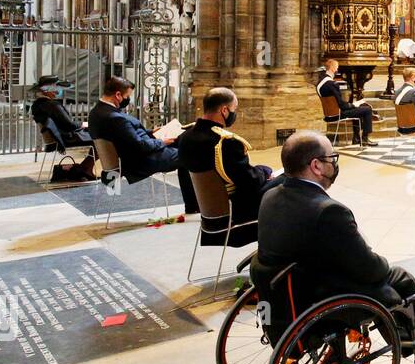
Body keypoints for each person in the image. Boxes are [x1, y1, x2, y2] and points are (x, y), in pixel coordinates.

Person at [250, 131, 415, 364]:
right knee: (399, 277)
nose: (335, 164)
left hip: (285, 289)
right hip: (320, 296)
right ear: (316, 165)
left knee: (386, 277)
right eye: (331, 158)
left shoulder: (271, 195)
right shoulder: (327, 210)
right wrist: (380, 262)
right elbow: (371, 269)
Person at [177, 87, 278, 246]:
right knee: (290, 183)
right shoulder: (225, 142)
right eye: (234, 109)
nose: (234, 114)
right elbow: (249, 182)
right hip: (234, 214)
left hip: (209, 214)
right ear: (224, 110)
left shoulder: (185, 136)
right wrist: (265, 171)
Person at [87, 76, 199, 213]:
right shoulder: (115, 118)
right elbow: (139, 146)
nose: (128, 100)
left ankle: (194, 205)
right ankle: (193, 206)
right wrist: (161, 141)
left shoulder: (96, 112)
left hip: (130, 155)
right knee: (188, 156)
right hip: (140, 161)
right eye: (127, 96)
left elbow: (125, 136)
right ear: (118, 95)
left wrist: (152, 132)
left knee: (181, 139)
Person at [30, 76, 97, 180]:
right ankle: (84, 169)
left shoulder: (37, 105)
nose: (59, 91)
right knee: (101, 139)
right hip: (66, 137)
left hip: (58, 137)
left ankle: (83, 168)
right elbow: (69, 125)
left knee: (98, 138)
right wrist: (84, 124)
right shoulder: (52, 105)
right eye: (57, 88)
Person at [316, 59, 378, 147]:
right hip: (337, 115)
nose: (338, 70)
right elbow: (342, 105)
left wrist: (354, 105)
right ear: (333, 69)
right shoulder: (332, 84)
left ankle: (356, 138)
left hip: (328, 115)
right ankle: (364, 139)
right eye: (337, 67)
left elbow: (337, 102)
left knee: (360, 109)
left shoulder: (320, 82)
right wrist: (353, 104)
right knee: (367, 110)